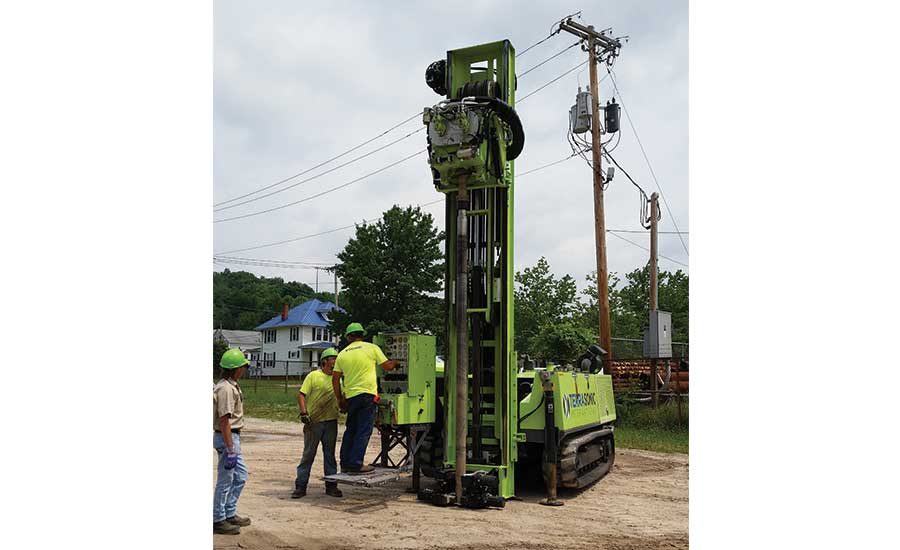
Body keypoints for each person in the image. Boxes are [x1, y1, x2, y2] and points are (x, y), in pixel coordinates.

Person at [332, 322, 398, 474]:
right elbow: (387, 367)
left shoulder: (342, 354)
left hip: (351, 397)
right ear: (362, 334)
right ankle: (356, 464)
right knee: (363, 430)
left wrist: (340, 399)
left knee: (351, 430)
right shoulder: (371, 348)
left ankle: (345, 463)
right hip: (367, 395)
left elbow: (335, 379)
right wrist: (395, 363)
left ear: (349, 337)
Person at [291, 347, 343, 499]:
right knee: (308, 455)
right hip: (314, 422)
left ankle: (331, 486)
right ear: (324, 361)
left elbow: (342, 397)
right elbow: (301, 394)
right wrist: (303, 412)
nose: (336, 361)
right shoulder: (313, 376)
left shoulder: (338, 379)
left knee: (330, 456)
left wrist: (344, 405)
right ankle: (300, 486)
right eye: (333, 359)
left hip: (331, 421)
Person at [213, 348, 252, 535]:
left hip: (232, 436)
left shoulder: (231, 385)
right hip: (227, 437)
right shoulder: (226, 389)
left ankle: (229, 512)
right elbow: (224, 420)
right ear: (235, 369)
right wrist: (230, 448)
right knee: (225, 480)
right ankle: (217, 519)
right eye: (242, 366)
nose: (244, 370)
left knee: (240, 476)